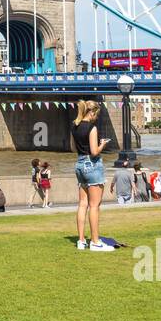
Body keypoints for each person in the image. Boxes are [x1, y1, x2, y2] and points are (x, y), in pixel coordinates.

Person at [71, 100, 111, 250]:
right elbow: (94, 152)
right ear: (92, 112)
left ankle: (81, 241)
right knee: (94, 205)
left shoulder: (74, 125)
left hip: (79, 164)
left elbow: (72, 147)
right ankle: (95, 242)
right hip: (92, 165)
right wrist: (103, 144)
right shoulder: (92, 128)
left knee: (83, 204)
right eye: (96, 114)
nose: (96, 117)